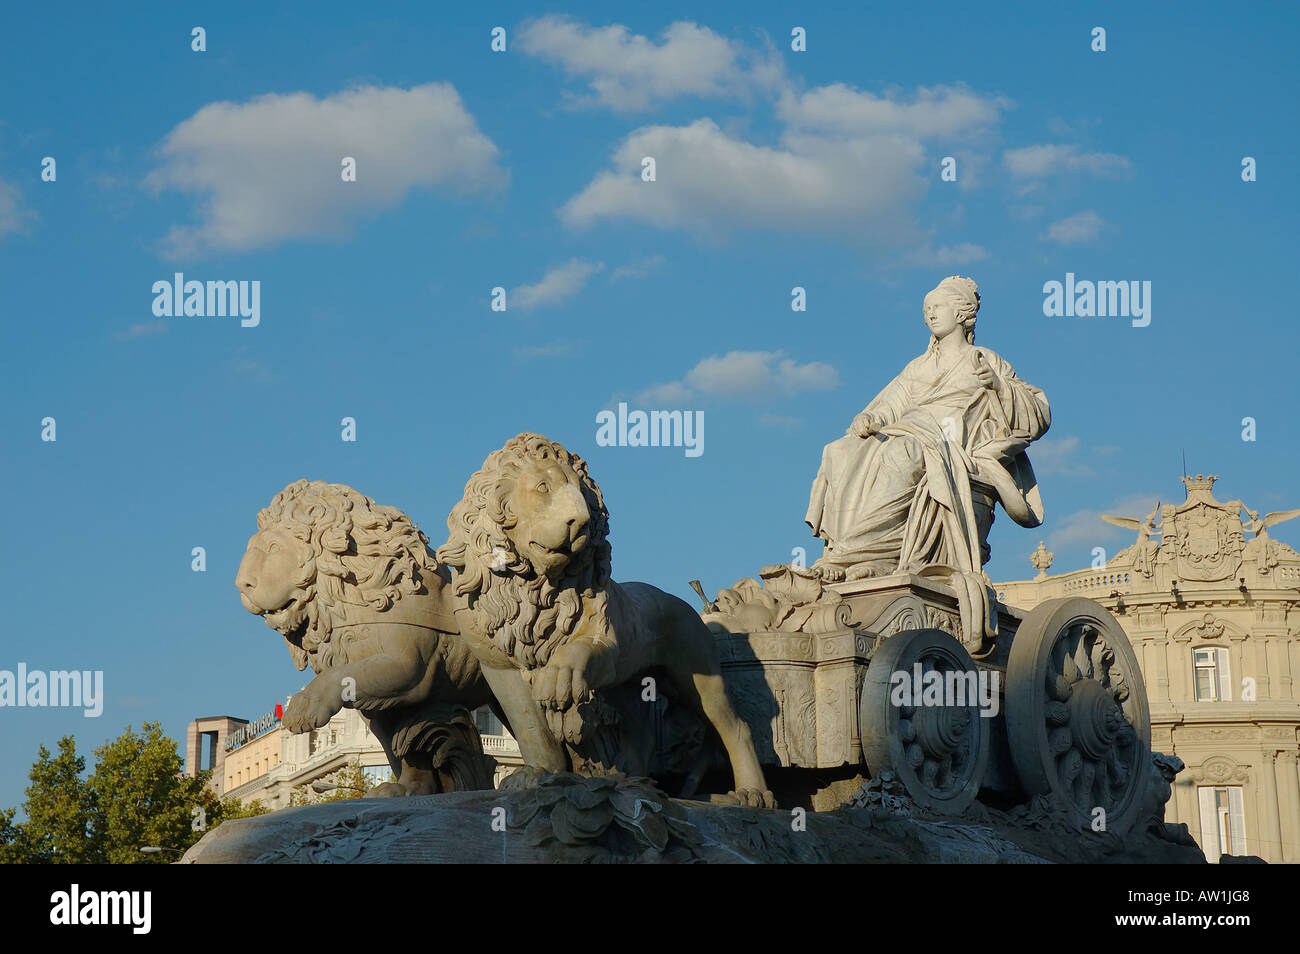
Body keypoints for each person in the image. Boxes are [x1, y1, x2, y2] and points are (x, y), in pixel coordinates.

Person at [807, 276, 1050, 585]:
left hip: (952, 445)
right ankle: (859, 554)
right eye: (927, 309)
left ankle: (855, 553)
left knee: (902, 451)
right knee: (839, 450)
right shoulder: (917, 367)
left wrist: (999, 386)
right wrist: (869, 418)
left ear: (961, 313)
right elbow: (891, 404)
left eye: (938, 307)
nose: (930, 315)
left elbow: (1038, 413)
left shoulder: (984, 359)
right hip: (911, 431)